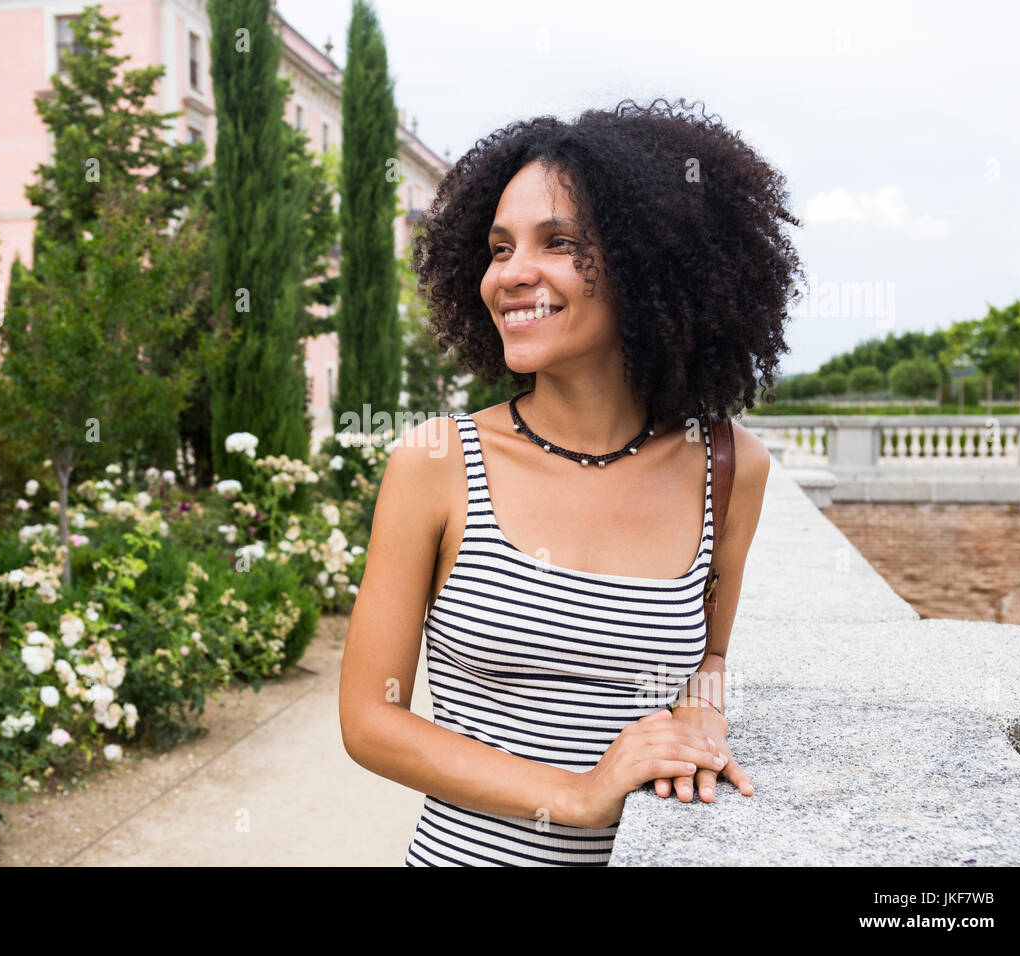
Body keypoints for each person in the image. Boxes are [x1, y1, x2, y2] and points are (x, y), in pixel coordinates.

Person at [338, 98, 800, 866]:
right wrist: (580, 794)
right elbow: (369, 720)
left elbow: (710, 661)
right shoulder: (436, 463)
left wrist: (702, 719)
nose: (514, 275)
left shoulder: (727, 468)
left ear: (649, 260)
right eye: (498, 248)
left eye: (559, 243)